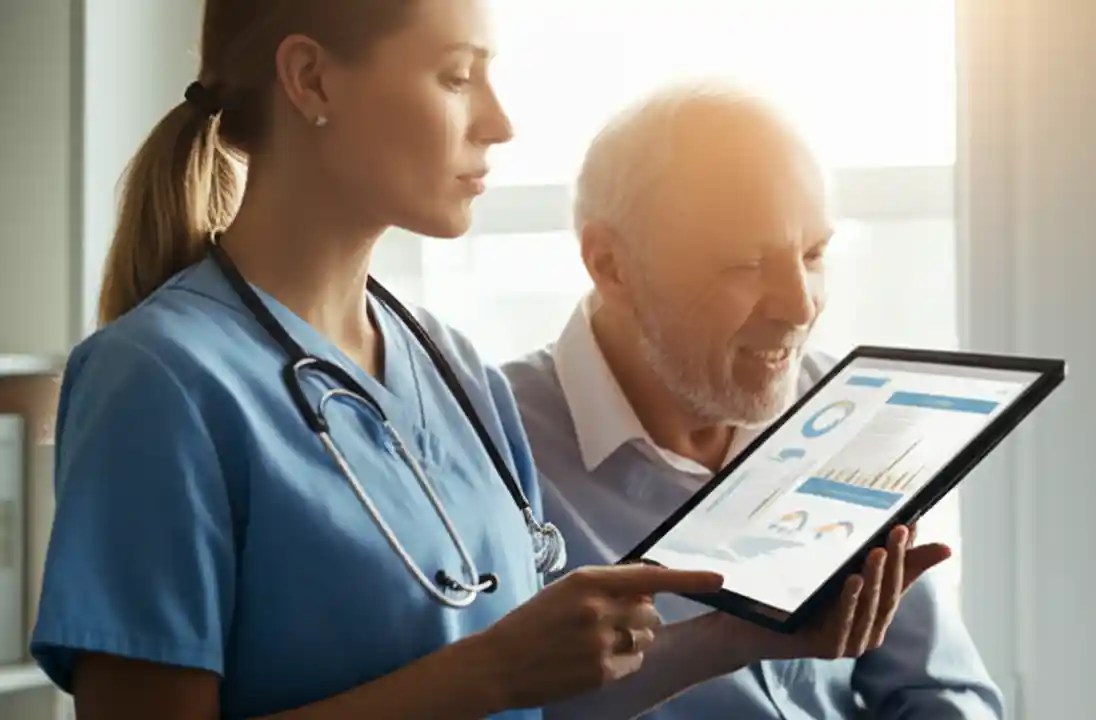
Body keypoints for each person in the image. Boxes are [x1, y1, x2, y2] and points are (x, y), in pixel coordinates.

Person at [30, 3, 931, 719]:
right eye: (457, 77)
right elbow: (499, 682)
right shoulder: (159, 380)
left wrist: (742, 640)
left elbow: (542, 701)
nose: (499, 123)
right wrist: (486, 676)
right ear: (310, 78)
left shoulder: (452, 368)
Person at [503, 82, 1005, 718]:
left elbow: (939, 689)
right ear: (612, 265)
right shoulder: (492, 445)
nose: (800, 307)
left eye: (814, 254)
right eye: (746, 264)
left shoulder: (843, 410)